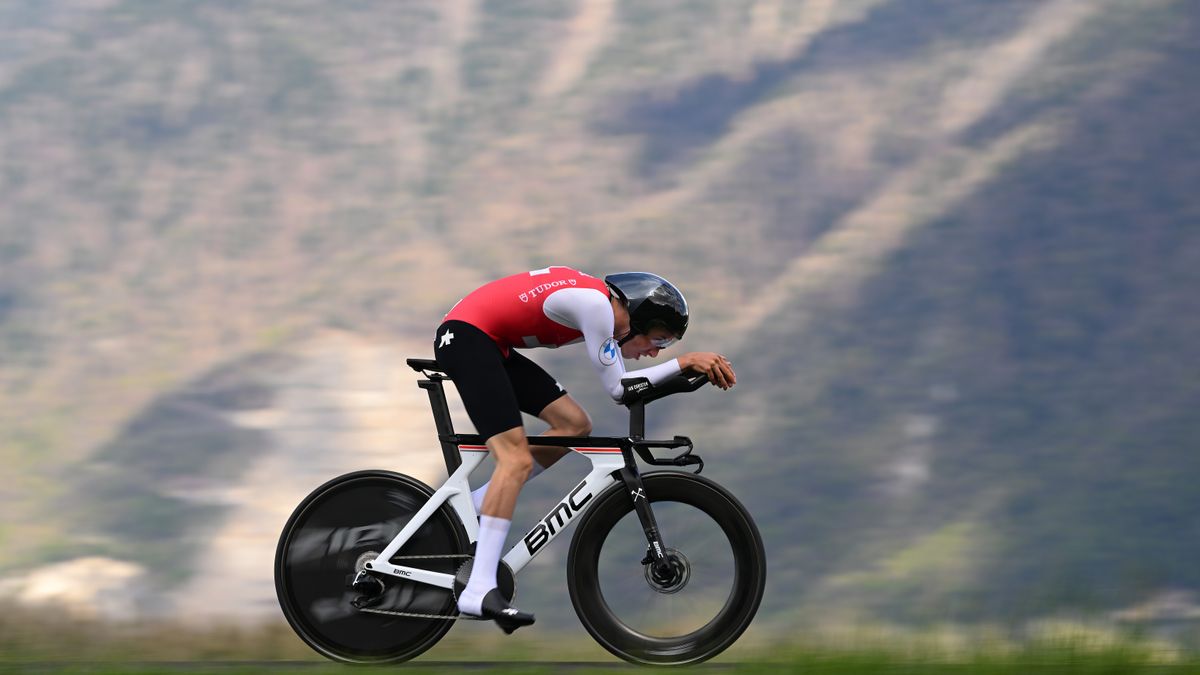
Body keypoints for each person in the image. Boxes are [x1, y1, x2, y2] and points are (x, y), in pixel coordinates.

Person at [433, 266, 736, 633]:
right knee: (513, 459)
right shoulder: (597, 308)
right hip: (468, 338)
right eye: (659, 339)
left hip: (490, 343)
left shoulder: (601, 306)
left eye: (666, 346)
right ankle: (478, 589)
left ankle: (478, 504)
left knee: (574, 425)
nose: (655, 353)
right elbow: (620, 389)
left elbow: (629, 388)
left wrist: (683, 374)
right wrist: (685, 361)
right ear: (636, 317)